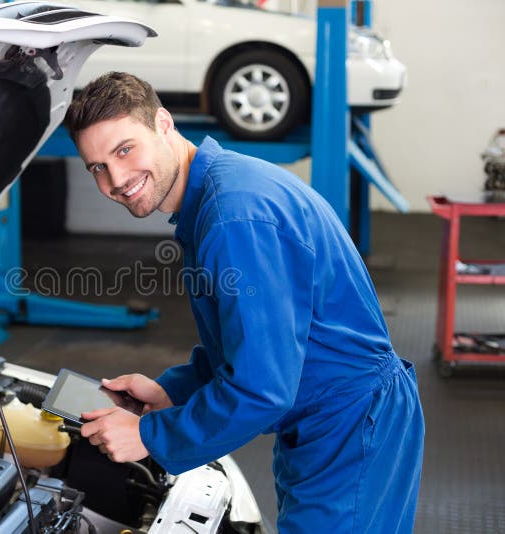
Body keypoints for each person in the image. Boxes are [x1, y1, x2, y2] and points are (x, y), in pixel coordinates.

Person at [63, 72, 424, 532]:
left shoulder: (234, 218)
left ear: (164, 123)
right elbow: (256, 343)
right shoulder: (216, 194)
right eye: (97, 166)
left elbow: (262, 386)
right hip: (327, 418)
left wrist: (149, 436)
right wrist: (175, 389)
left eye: (124, 149)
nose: (115, 179)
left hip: (349, 427)